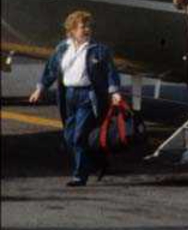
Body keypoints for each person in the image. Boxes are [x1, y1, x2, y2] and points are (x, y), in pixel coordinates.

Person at [28, 10, 122, 187]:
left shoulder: (99, 50)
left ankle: (79, 176)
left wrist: (114, 93)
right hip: (68, 96)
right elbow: (51, 70)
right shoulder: (62, 48)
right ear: (71, 30)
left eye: (88, 26)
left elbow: (111, 73)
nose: (86, 29)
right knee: (69, 136)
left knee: (79, 136)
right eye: (82, 26)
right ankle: (99, 162)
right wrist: (40, 89)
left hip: (88, 96)